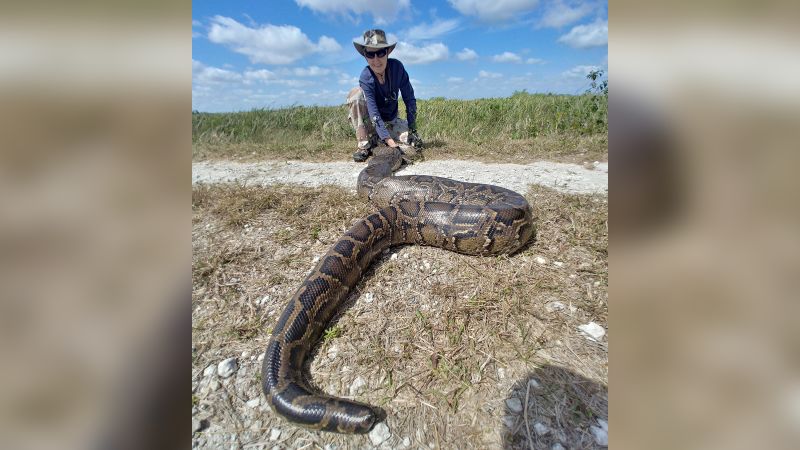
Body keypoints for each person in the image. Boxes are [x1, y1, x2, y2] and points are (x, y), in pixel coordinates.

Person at [347, 29, 421, 162]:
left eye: (380, 53)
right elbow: (374, 113)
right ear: (365, 56)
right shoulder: (365, 77)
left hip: (391, 121)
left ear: (387, 52)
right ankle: (364, 145)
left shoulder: (397, 68)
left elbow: (409, 99)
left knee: (413, 144)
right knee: (356, 94)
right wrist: (392, 144)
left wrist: (412, 128)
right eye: (370, 54)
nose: (376, 60)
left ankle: (378, 141)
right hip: (371, 122)